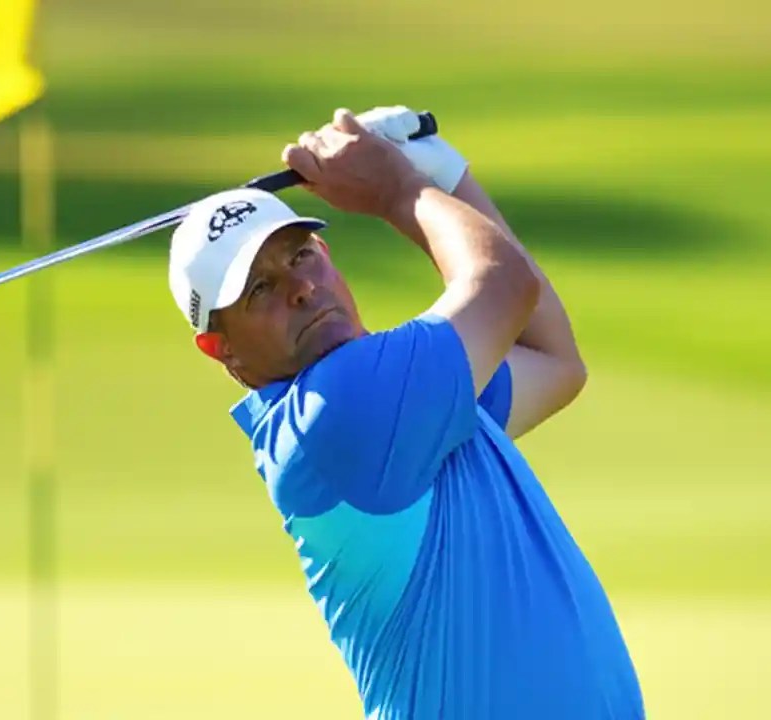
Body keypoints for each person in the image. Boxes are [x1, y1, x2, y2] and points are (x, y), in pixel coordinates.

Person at [166, 106, 644, 719]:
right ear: (220, 347)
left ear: (327, 254)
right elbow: (503, 283)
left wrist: (442, 173)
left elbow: (551, 358)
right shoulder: (337, 411)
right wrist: (397, 186)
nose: (300, 288)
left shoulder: (412, 403)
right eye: (259, 289)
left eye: (301, 256)